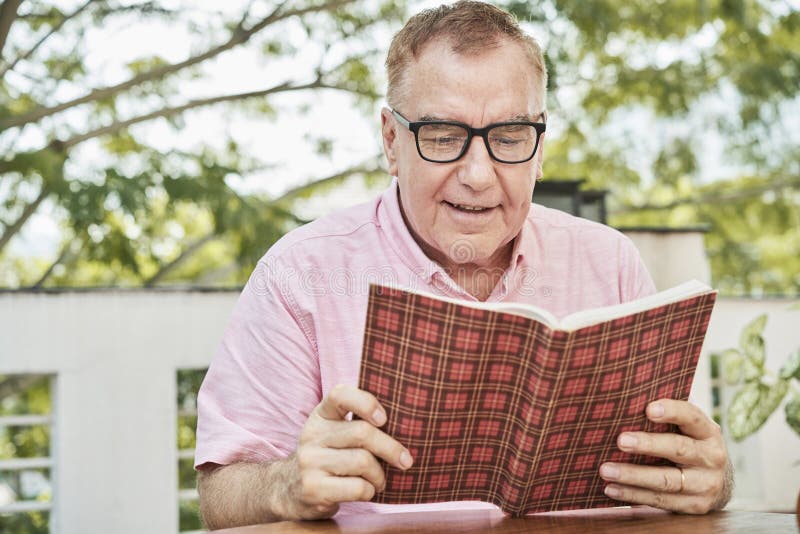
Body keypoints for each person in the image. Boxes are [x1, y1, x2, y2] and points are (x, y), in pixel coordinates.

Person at [195, 1, 732, 528]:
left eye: (508, 138)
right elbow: (219, 496)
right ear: (390, 140)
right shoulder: (300, 273)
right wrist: (287, 483)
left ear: (539, 145)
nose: (478, 174)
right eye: (444, 137)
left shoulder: (609, 261)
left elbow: (677, 462)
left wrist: (714, 479)